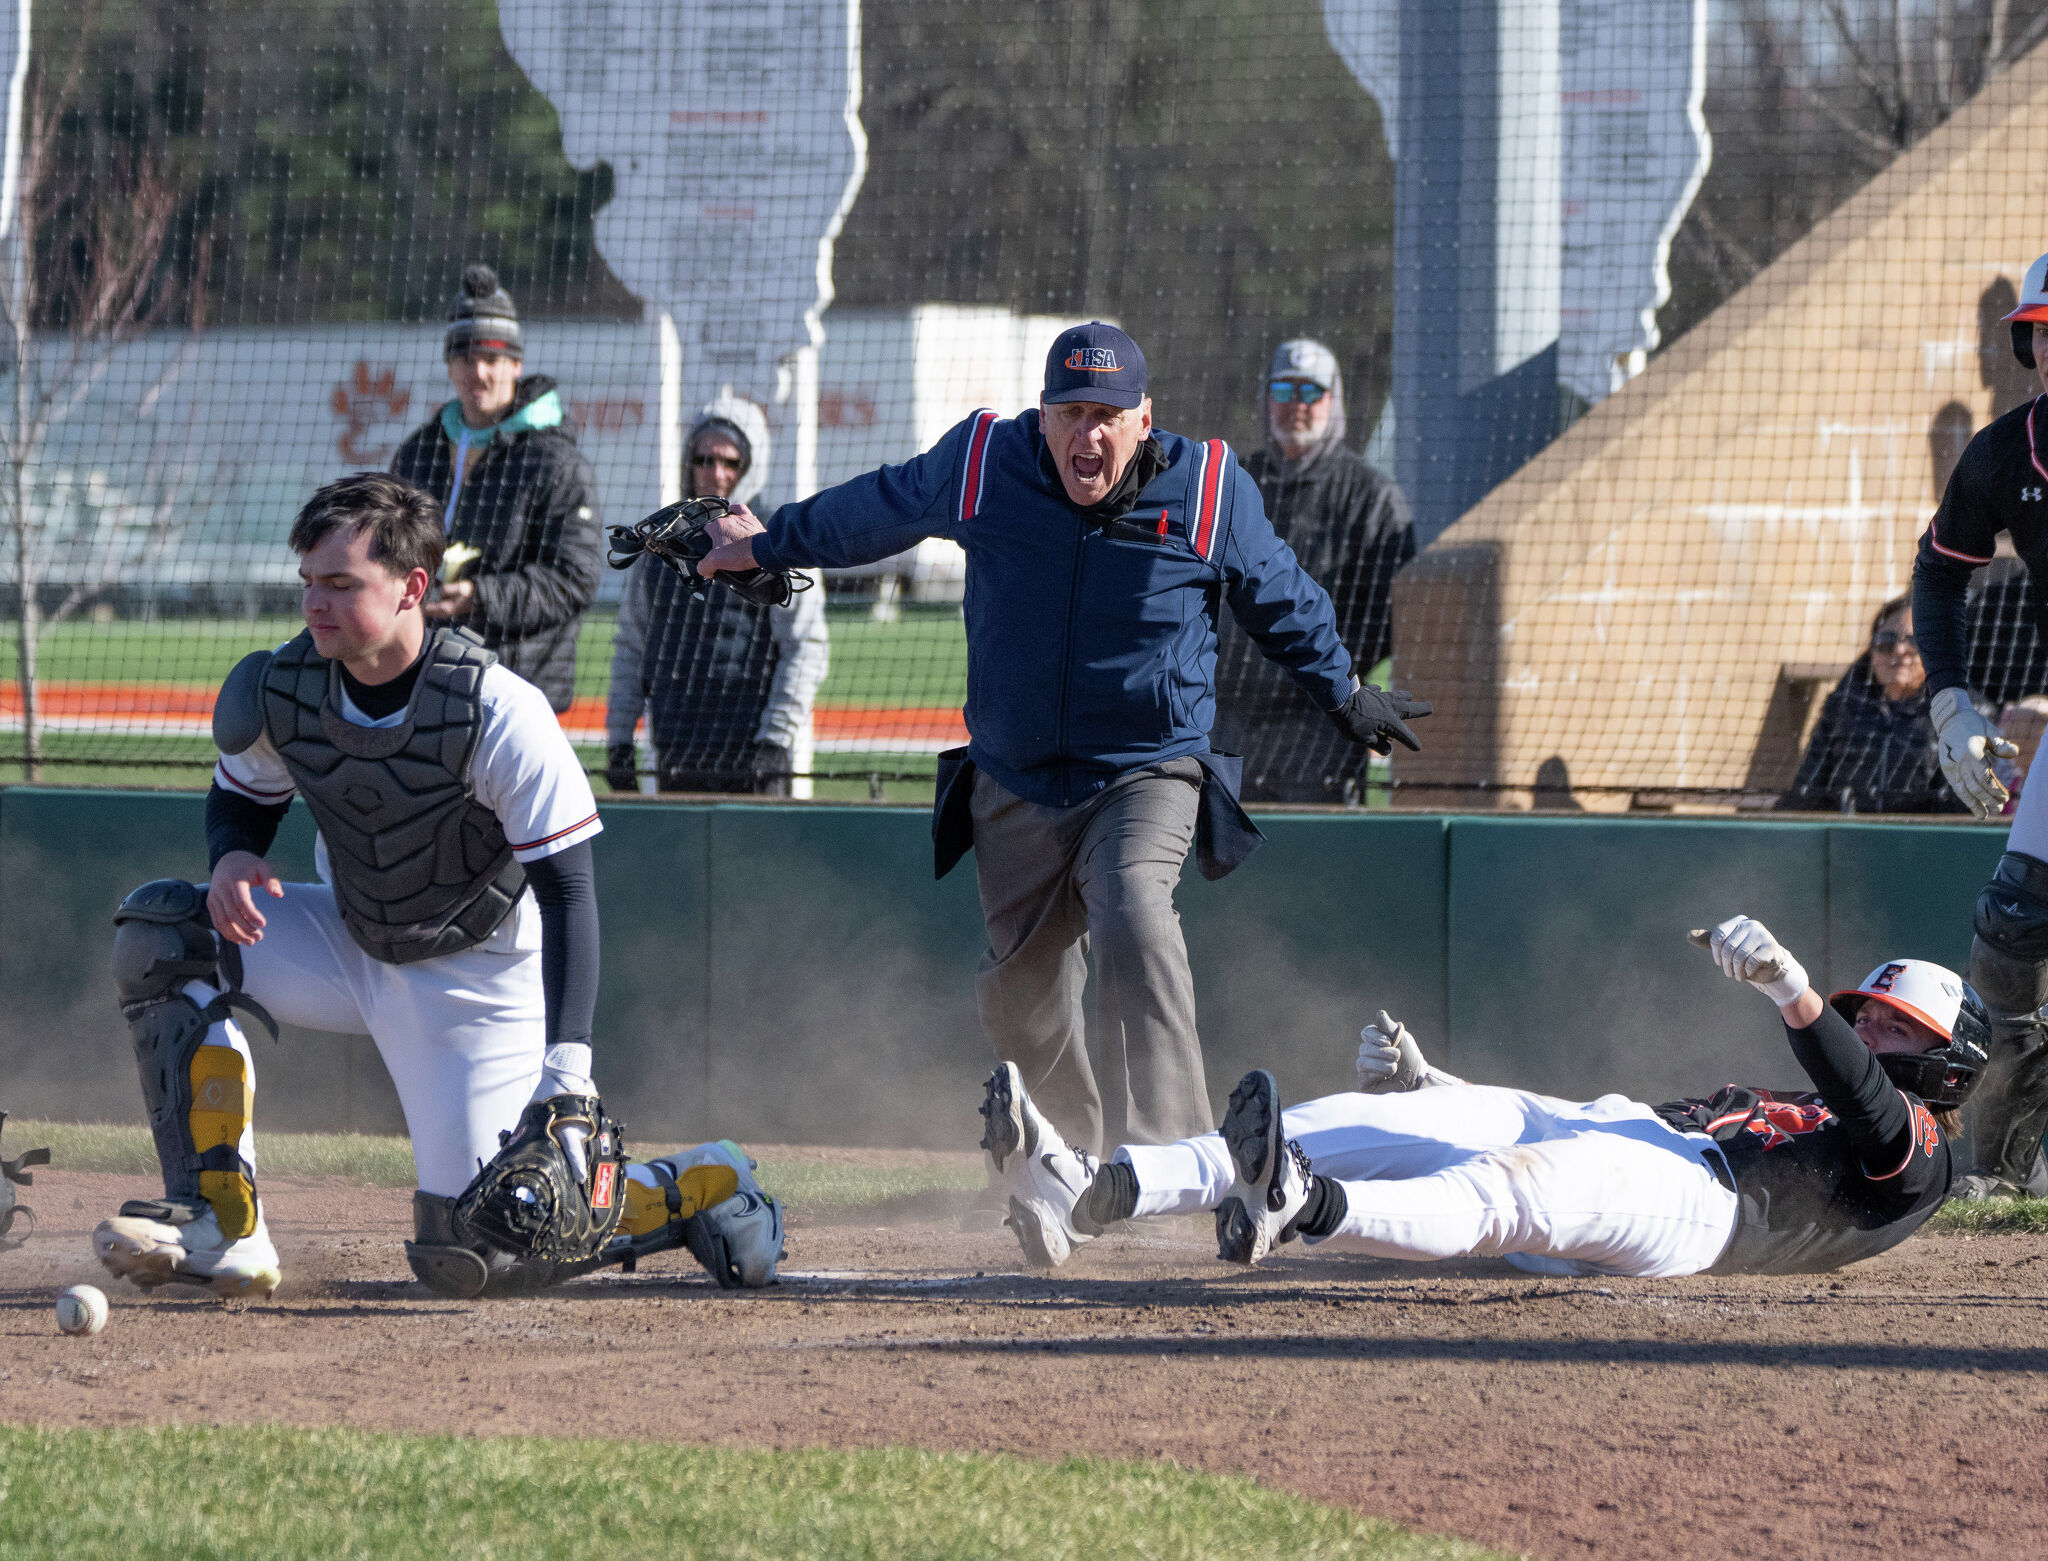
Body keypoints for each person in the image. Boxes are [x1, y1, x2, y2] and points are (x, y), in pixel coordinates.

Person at [695, 322, 1433, 1155]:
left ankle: (1172, 1164)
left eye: (1107, 415)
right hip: (1016, 778)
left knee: (1134, 912)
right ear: (1041, 416)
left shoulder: (1209, 487)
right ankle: (1070, 1158)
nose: (1089, 434)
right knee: (1018, 993)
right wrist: (762, 544)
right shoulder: (983, 462)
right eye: (1071, 413)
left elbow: (1281, 596)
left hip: (1146, 767)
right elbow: (878, 507)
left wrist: (1344, 691)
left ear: (1143, 419)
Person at [91, 474, 782, 1301]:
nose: (317, 603)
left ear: (414, 586)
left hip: (475, 974)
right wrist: (235, 853)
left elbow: (568, 891)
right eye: (309, 581)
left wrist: (568, 1069)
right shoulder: (285, 688)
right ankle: (221, 1224)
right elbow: (242, 791)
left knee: (484, 1245)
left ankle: (700, 1181)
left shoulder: (498, 711)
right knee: (164, 936)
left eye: (343, 584)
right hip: (349, 941)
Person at [981, 914, 1983, 1275]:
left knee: (1518, 1186)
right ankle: (1095, 1188)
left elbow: (1867, 1107)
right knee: (1367, 1117)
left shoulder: (1924, 1154)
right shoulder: (1819, 1084)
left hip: (1702, 1211)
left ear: (1946, 1065)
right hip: (1628, 1126)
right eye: (1871, 1015)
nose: (1871, 1031)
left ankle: (1305, 1206)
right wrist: (1436, 1086)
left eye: (1897, 1027)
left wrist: (1792, 992)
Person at [1912, 247, 2048, 1198]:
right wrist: (1949, 694)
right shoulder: (2006, 452)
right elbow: (1940, 569)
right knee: (2009, 933)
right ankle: (2005, 1168)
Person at [388, 264, 602, 715]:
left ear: (516, 365)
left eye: (493, 358)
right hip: (422, 680)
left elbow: (575, 580)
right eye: (465, 356)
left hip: (519, 696)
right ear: (449, 365)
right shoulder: (418, 453)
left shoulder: (558, 462)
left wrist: (478, 598)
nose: (479, 372)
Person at [1212, 339, 1416, 804]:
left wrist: (1336, 682)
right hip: (1224, 727)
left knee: (1312, 865)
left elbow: (1389, 621)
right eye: (1283, 391)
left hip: (1319, 731)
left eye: (1311, 393)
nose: (1296, 407)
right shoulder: (1232, 481)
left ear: (1334, 401)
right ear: (1266, 400)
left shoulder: (1373, 498)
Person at [604, 396, 828, 794]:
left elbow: (805, 649)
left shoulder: (776, 543)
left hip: (753, 755)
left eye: (730, 461)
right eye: (704, 460)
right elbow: (631, 648)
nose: (716, 473)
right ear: (688, 463)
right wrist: (619, 741)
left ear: (749, 465)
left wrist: (775, 741)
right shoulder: (656, 548)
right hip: (676, 750)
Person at [1775, 597, 1960, 814]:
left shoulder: (1960, 713)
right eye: (1885, 642)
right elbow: (1808, 788)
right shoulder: (1845, 707)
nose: (1899, 651)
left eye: (1914, 641)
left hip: (1918, 840)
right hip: (1850, 836)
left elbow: (1957, 806)